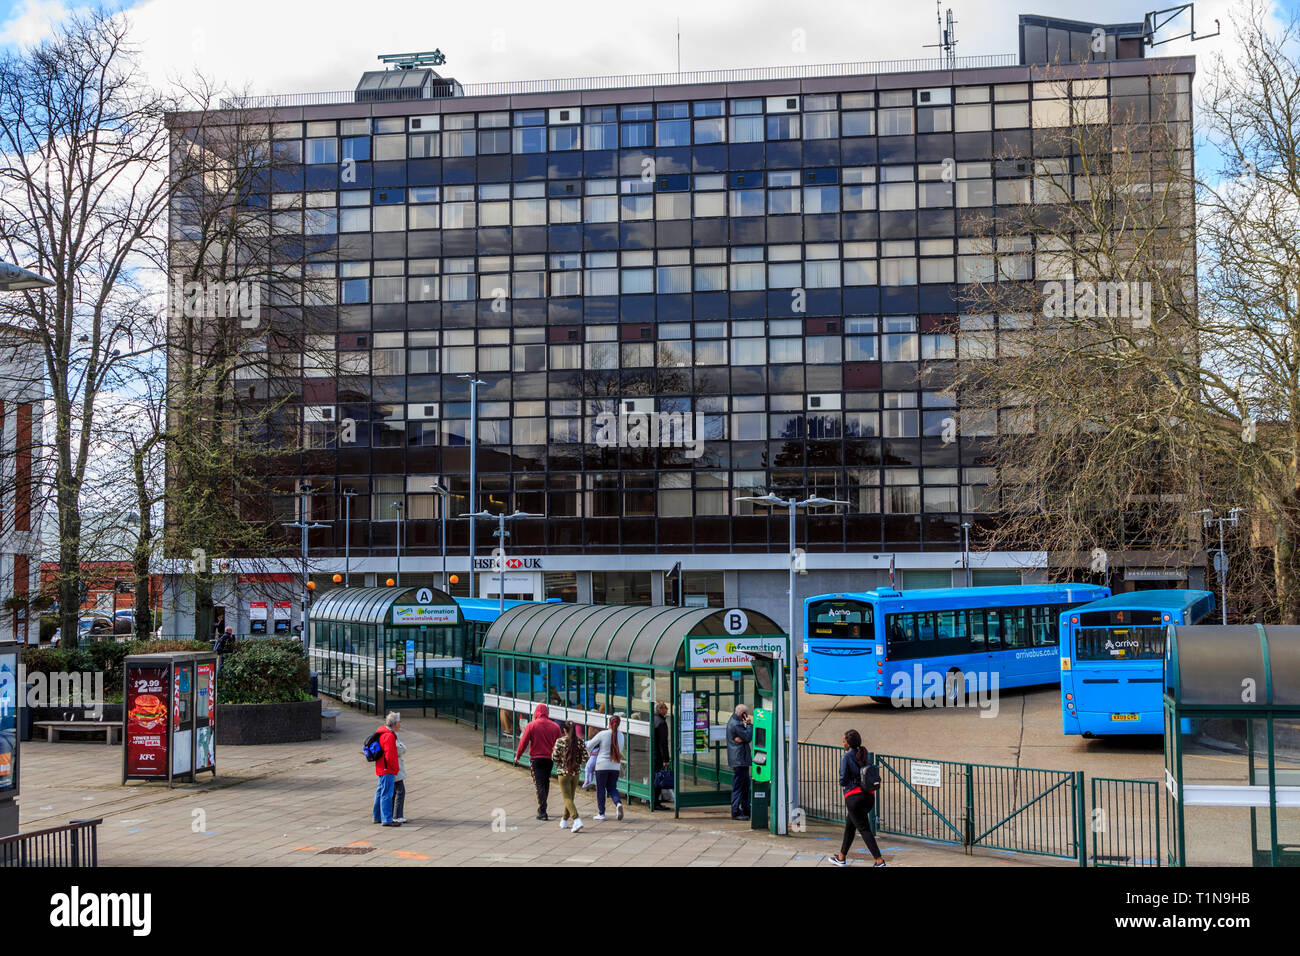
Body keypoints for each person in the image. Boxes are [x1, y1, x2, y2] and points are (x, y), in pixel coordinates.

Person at [830, 729, 885, 867]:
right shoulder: (864, 755)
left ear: (849, 743)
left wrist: (845, 781)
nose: (843, 743)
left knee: (864, 829)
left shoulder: (846, 757)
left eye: (844, 741)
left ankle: (879, 861)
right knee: (850, 826)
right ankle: (841, 858)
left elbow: (843, 780)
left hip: (854, 799)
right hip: (868, 798)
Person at [513, 703, 562, 820]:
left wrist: (517, 756)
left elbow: (523, 742)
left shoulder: (531, 725)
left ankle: (542, 811)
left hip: (536, 759)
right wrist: (560, 759)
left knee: (539, 784)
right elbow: (560, 744)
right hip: (549, 759)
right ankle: (543, 806)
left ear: (536, 713)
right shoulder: (555, 726)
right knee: (545, 782)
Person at [550, 720, 587, 833]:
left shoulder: (560, 741)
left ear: (564, 730)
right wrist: (577, 762)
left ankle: (576, 819)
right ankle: (564, 820)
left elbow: (554, 757)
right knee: (570, 797)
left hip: (563, 773)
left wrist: (562, 761)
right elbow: (585, 757)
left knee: (566, 797)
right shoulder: (580, 742)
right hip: (576, 773)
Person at [586, 715, 625, 821]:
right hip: (615, 766)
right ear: (619, 724)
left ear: (609, 723)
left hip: (601, 766)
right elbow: (620, 749)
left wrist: (589, 753)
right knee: (612, 788)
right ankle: (618, 803)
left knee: (601, 789)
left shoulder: (603, 734)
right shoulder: (622, 736)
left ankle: (601, 813)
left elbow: (589, 745)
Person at [371, 711, 402, 827]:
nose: (400, 724)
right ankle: (387, 819)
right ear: (395, 723)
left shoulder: (382, 732)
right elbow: (390, 756)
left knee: (380, 792)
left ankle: (377, 816)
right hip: (387, 768)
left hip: (381, 767)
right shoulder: (389, 736)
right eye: (399, 722)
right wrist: (395, 768)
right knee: (387, 794)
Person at [726, 704, 753, 821]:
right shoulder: (737, 724)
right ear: (742, 714)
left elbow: (744, 738)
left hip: (740, 759)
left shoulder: (733, 720)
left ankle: (746, 809)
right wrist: (749, 725)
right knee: (739, 787)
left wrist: (744, 734)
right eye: (746, 713)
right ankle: (736, 811)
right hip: (740, 760)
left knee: (745, 786)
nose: (747, 715)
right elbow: (748, 737)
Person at [652, 701, 671, 810]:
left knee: (655, 777)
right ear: (659, 709)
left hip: (652, 753)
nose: (666, 709)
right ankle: (656, 802)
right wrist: (666, 759)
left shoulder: (653, 719)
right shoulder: (661, 723)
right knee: (659, 778)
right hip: (658, 756)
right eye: (665, 707)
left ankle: (654, 800)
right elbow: (663, 743)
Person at [393, 714, 408, 824]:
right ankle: (397, 815)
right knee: (400, 791)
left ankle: (394, 814)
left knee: (395, 791)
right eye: (399, 722)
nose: (400, 724)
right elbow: (401, 749)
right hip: (395, 766)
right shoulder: (392, 735)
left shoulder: (393, 734)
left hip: (393, 766)